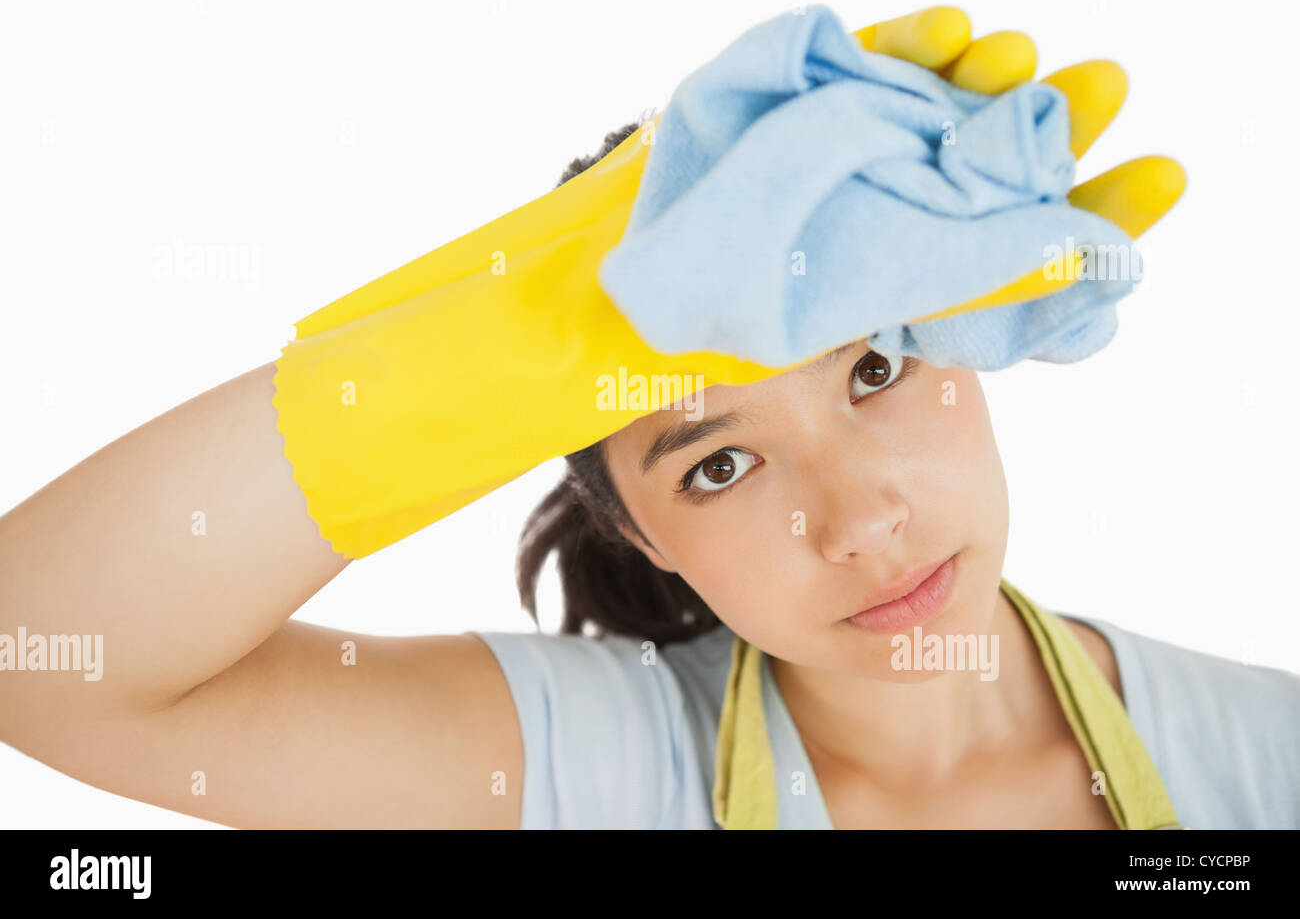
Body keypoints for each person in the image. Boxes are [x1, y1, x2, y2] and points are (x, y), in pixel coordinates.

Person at [2, 117, 1297, 830]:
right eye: (721, 461)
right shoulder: (587, 769)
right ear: (644, 532)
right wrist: (492, 352)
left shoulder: (1271, 758)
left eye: (875, 371)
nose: (860, 522)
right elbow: (39, 659)